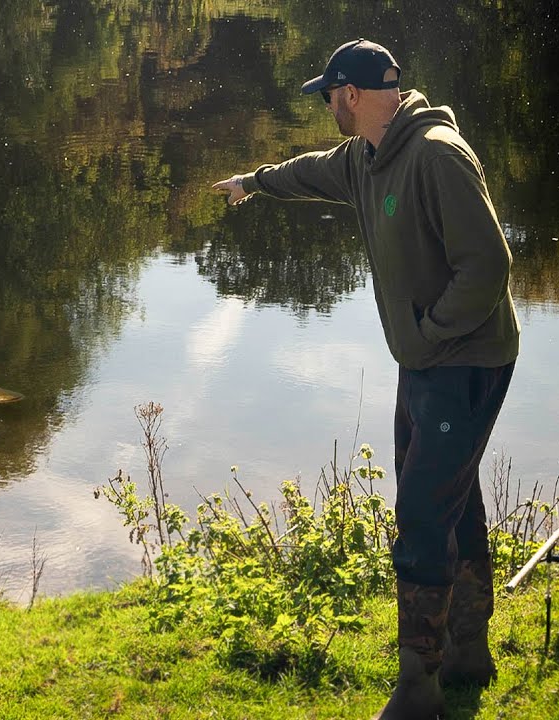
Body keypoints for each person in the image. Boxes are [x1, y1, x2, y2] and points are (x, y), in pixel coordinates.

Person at [212, 39, 519, 720]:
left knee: (421, 510)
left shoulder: (437, 156)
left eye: (328, 95)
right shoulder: (367, 157)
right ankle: (468, 653)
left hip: (466, 360)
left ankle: (418, 689)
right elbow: (311, 171)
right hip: (428, 359)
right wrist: (254, 182)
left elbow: (490, 265)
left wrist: (431, 331)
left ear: (350, 95)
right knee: (450, 497)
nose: (327, 106)